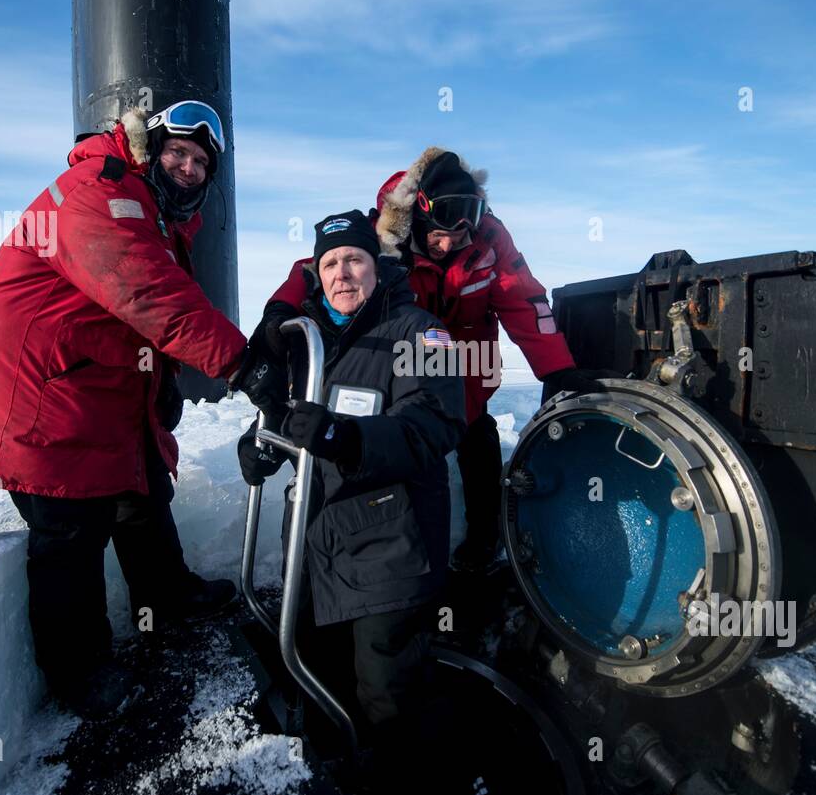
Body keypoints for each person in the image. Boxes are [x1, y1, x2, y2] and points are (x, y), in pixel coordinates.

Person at [0, 99, 248, 718]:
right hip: (40, 393)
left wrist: (160, 375)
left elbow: (134, 306)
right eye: (179, 152)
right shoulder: (101, 188)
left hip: (94, 379)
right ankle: (77, 671)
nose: (189, 168)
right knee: (69, 529)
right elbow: (145, 291)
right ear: (149, 146)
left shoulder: (153, 209)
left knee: (140, 488)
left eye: (200, 162)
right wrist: (246, 365)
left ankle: (165, 595)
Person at [257, 147, 615, 580]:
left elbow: (523, 297)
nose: (449, 244)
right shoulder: (385, 235)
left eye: (462, 234)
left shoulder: (488, 237)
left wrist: (556, 369)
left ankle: (484, 537)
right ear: (421, 215)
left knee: (475, 436)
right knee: (409, 438)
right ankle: (398, 554)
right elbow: (318, 267)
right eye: (441, 233)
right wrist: (280, 310)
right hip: (406, 359)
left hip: (468, 364)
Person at [236, 210, 466, 731]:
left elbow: (434, 422)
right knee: (318, 674)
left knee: (388, 695)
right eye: (331, 262)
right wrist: (260, 445)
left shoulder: (423, 333)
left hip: (391, 548)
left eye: (355, 259)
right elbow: (285, 418)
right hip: (314, 542)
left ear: (377, 268)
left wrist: (346, 437)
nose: (342, 272)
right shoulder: (305, 342)